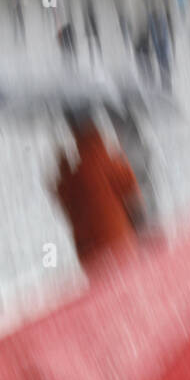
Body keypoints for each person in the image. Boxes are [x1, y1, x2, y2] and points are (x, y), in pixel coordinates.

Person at [48, 111, 143, 267]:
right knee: (126, 285)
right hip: (119, 242)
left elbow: (66, 205)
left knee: (104, 290)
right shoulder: (111, 162)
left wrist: (62, 165)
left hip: (89, 250)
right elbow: (133, 195)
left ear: (73, 131)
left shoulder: (74, 173)